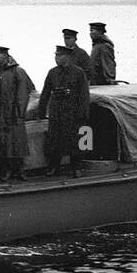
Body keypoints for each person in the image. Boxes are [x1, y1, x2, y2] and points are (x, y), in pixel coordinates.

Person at [37, 45, 91, 177]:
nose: (56, 58)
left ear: (67, 57)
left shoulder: (78, 72)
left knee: (75, 141)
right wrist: (41, 111)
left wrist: (83, 114)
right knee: (54, 141)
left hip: (72, 113)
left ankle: (76, 167)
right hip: (56, 112)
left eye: (59, 56)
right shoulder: (52, 72)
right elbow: (45, 93)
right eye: (56, 55)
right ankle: (54, 166)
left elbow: (84, 94)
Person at [0, 46, 35, 181]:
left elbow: (23, 93)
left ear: (5, 56)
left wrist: (19, 112)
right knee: (3, 143)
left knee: (17, 143)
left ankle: (19, 170)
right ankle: (6, 169)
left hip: (14, 113)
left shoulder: (17, 71)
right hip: (0, 114)